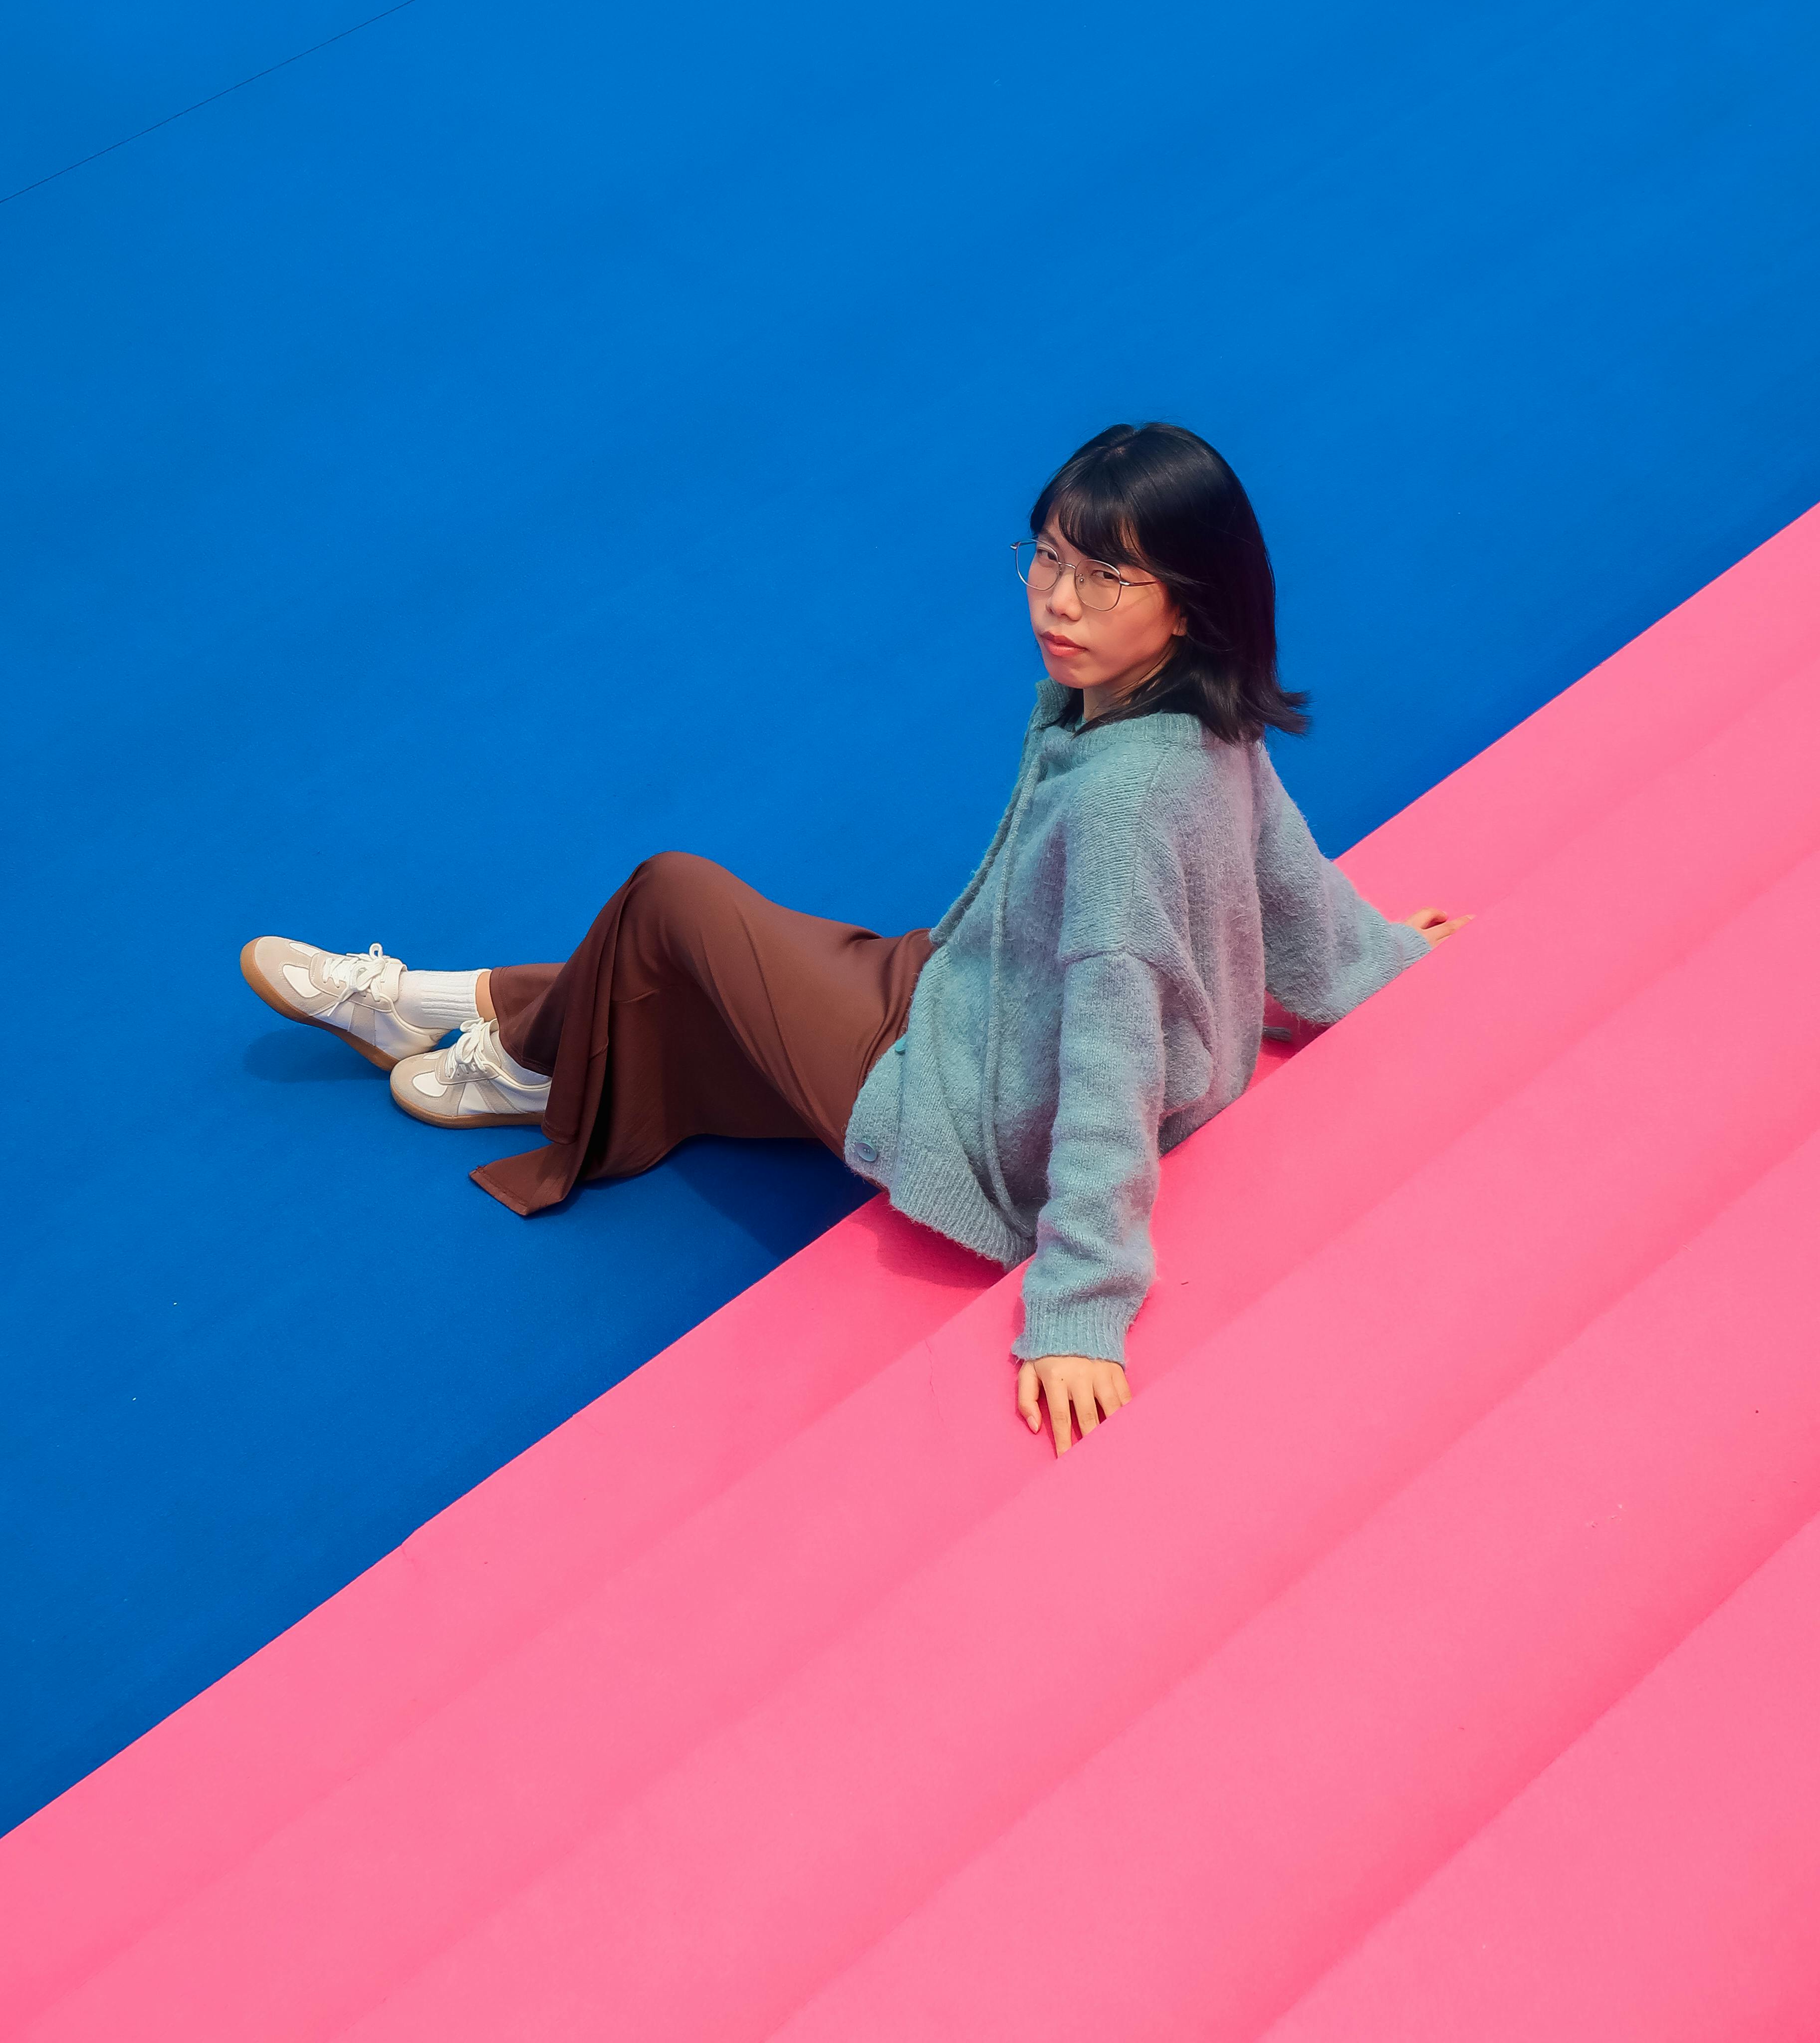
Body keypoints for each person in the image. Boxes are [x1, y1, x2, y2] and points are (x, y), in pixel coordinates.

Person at [242, 424, 1467, 1453]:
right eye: (1047, 557)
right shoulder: (1194, 716)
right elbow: (1286, 874)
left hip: (968, 1093)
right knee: (687, 969)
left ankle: (514, 1060)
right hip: (961, 993)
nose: (1058, 599)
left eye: (1108, 577)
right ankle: (454, 1009)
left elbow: (1111, 1038)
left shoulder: (1123, 802)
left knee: (675, 894)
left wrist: (1081, 1303)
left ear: (1192, 602)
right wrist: (1374, 964)